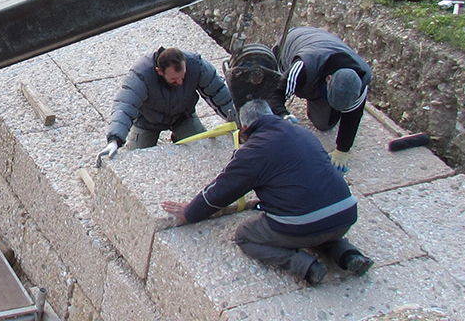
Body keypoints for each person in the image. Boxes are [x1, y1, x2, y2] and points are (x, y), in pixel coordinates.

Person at [160, 99, 373, 284]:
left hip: (304, 224)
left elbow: (222, 190)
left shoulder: (254, 151)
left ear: (244, 127)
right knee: (318, 217)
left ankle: (305, 266)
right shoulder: (302, 132)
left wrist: (190, 212)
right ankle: (347, 254)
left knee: (246, 235)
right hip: (345, 215)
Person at [98, 46, 236, 164]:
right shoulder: (141, 74)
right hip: (148, 121)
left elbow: (219, 94)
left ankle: (180, 136)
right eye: (174, 79)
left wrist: (239, 121)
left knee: (204, 149)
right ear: (159, 71)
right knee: (137, 162)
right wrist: (114, 140)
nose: (180, 82)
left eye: (183, 76)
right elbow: (124, 106)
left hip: (183, 116)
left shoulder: (196, 65)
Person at [278, 26, 372, 165]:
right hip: (290, 43)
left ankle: (314, 94)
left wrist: (342, 150)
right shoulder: (303, 66)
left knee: (324, 124)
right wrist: (282, 114)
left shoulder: (361, 78)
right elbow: (275, 93)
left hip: (320, 70)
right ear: (328, 79)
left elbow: (353, 115)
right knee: (269, 114)